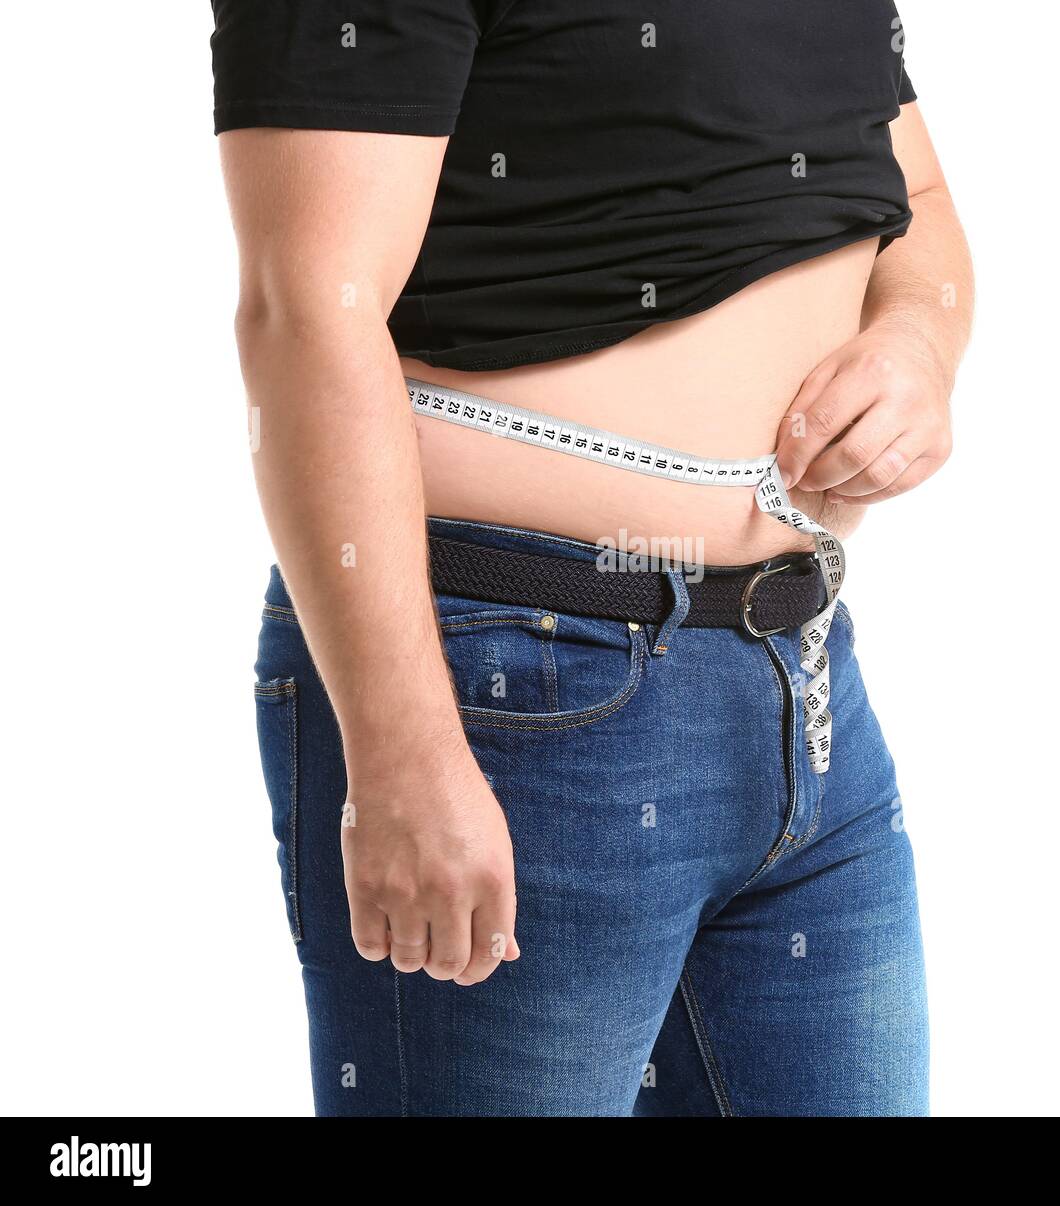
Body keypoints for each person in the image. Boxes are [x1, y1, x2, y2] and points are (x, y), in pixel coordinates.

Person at [213, 0, 973, 1117]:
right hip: (507, 687)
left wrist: (917, 338)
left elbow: (912, 200)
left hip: (799, 683)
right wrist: (403, 756)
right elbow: (305, 314)